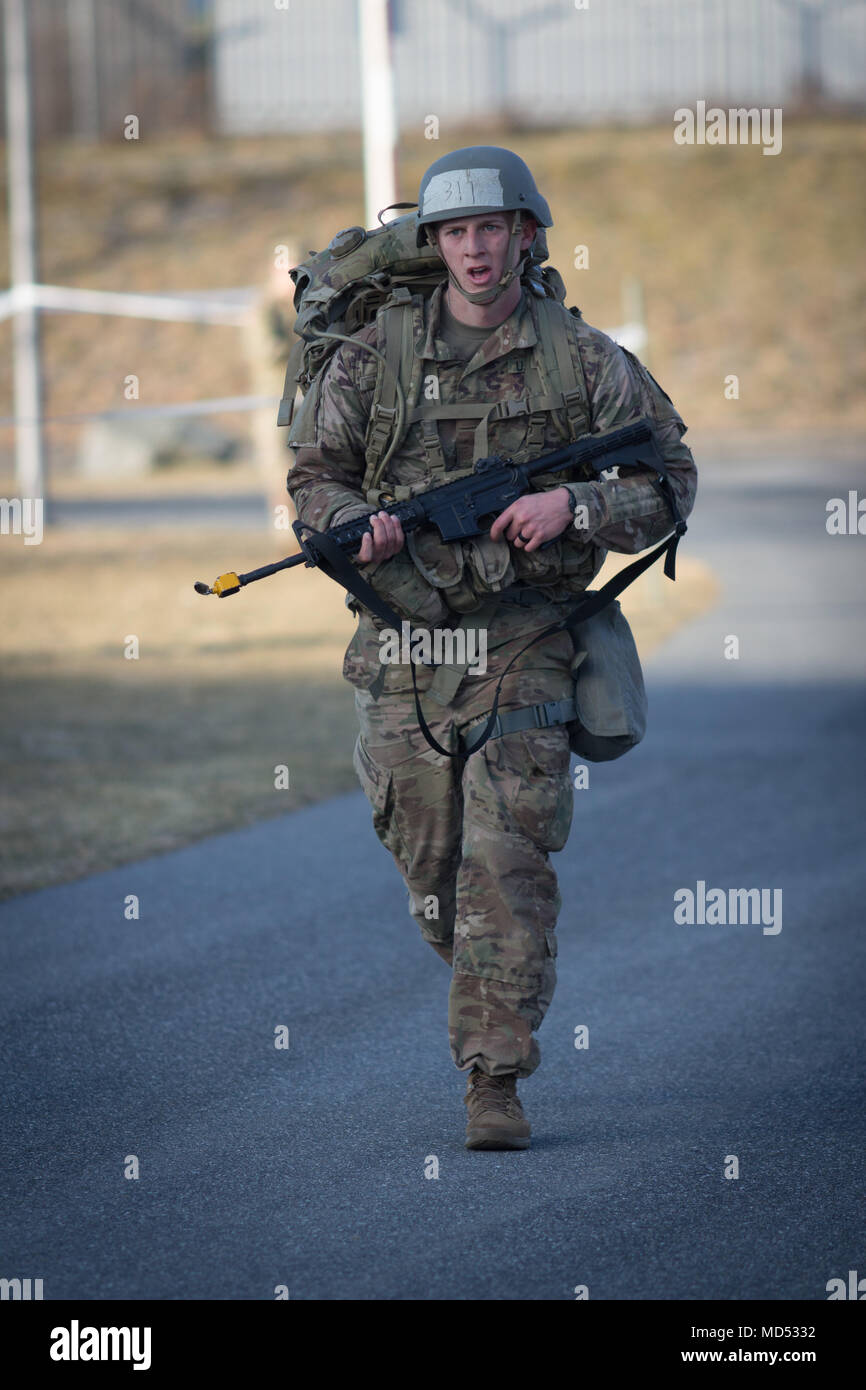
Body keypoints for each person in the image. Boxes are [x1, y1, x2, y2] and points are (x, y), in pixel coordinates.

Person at [287, 146, 697, 1150]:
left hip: (526, 639)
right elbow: (313, 481)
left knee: (505, 864)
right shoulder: (371, 358)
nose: (474, 249)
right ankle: (488, 984)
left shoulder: (580, 357)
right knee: (434, 870)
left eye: (491, 228)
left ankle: (493, 1078)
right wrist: (357, 525)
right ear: (434, 244)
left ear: (525, 234)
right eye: (455, 232)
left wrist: (574, 504)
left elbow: (669, 479)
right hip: (404, 648)